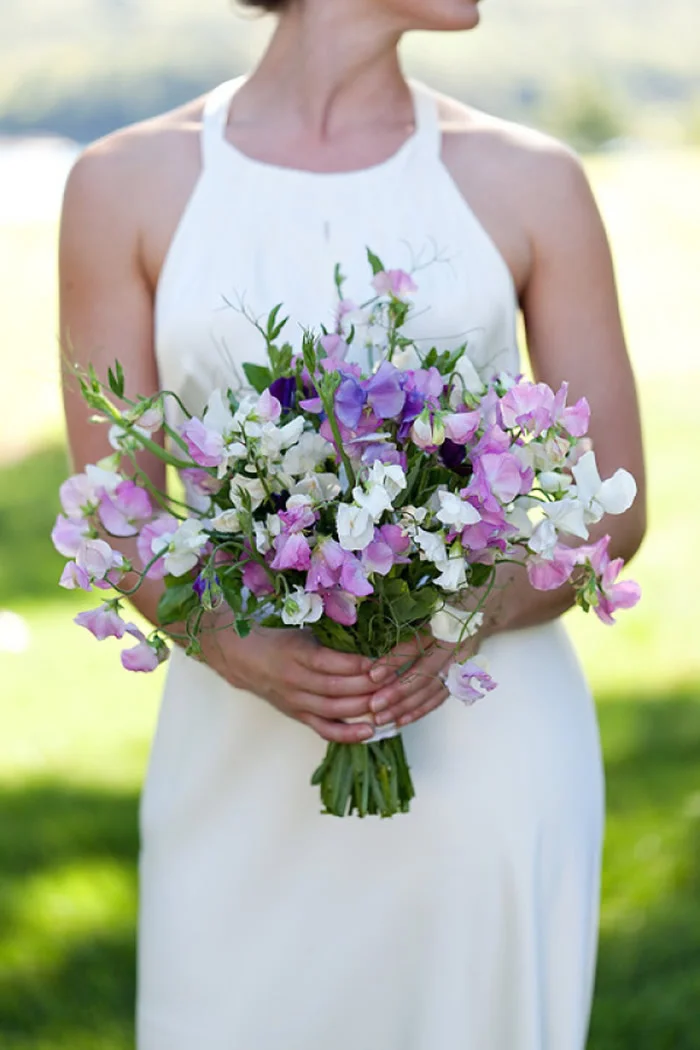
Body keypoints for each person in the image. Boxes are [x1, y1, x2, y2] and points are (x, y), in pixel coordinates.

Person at [59, 0, 646, 1046]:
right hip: (233, 753)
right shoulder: (123, 183)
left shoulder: (529, 177)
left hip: (488, 739)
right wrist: (237, 649)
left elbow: (614, 497)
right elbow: (119, 510)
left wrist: (468, 609)